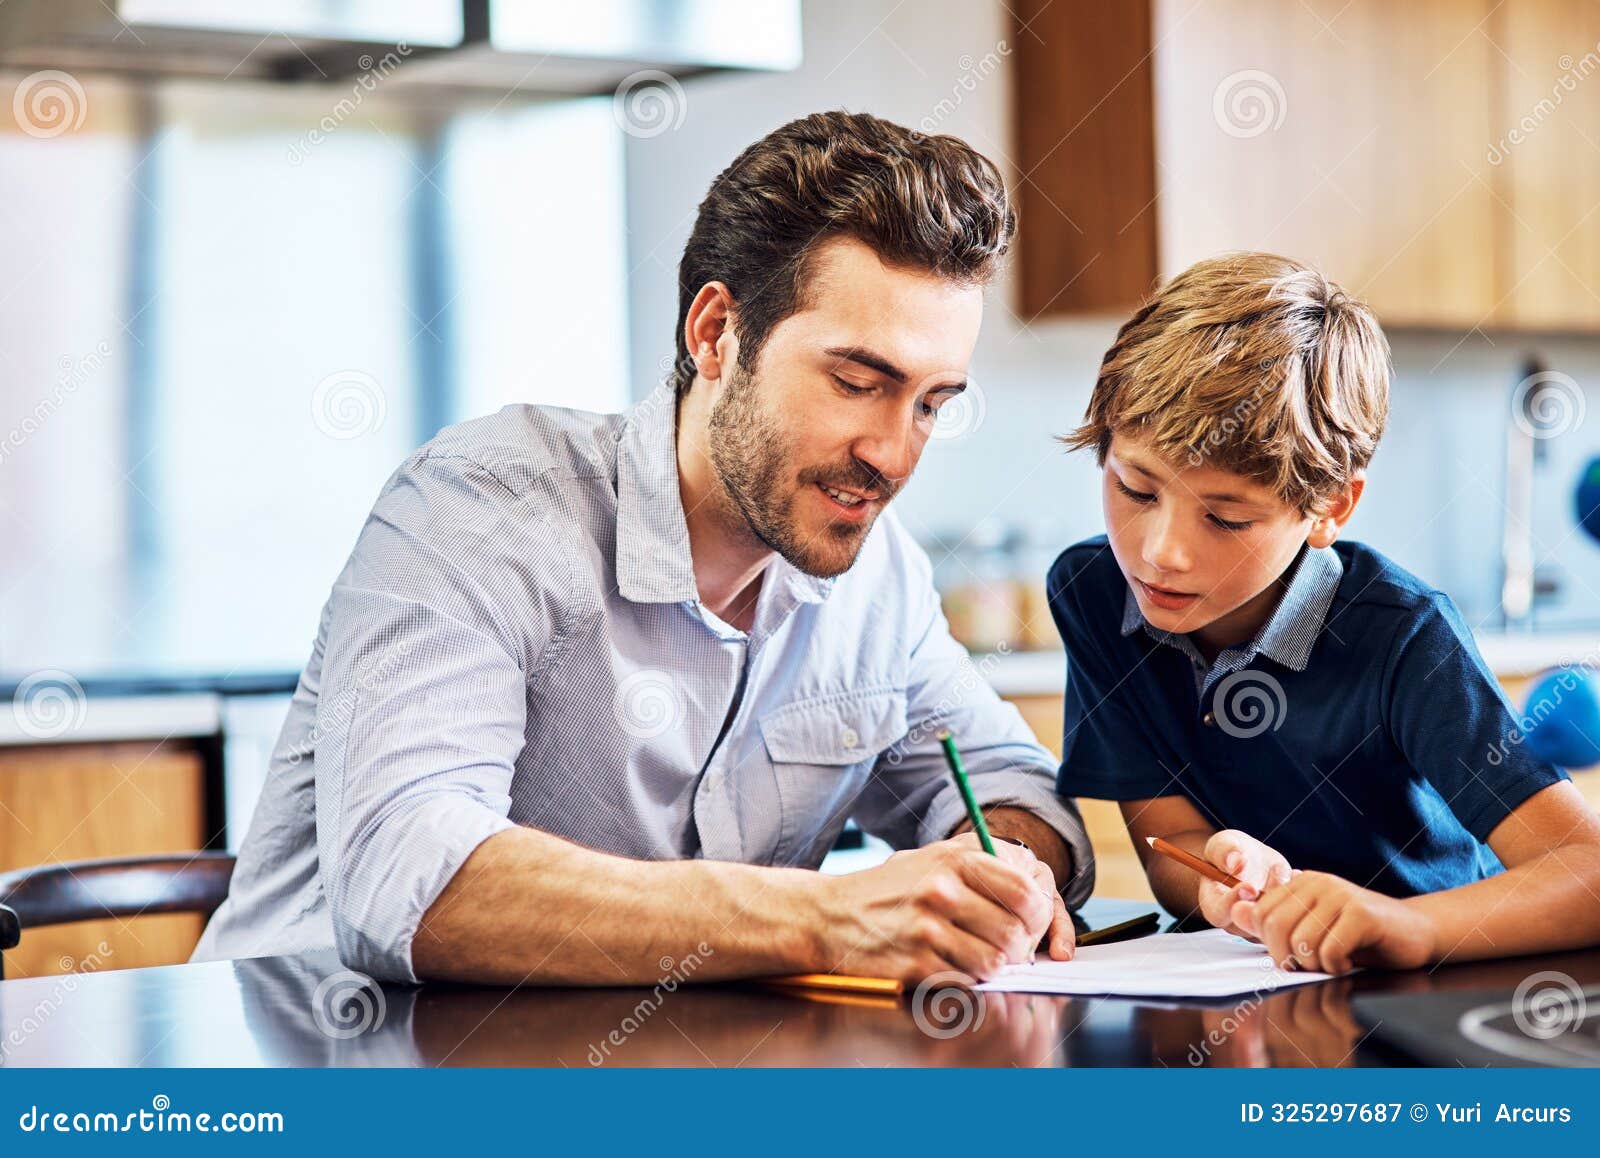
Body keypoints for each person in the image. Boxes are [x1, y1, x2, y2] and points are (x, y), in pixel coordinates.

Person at [193, 111, 1094, 987]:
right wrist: (828, 917)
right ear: (716, 334)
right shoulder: (480, 508)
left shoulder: (876, 577)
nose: (895, 456)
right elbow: (406, 875)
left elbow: (1012, 785)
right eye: (857, 382)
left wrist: (999, 873)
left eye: (931, 404)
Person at [1048, 252, 1600, 974]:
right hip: (1257, 992)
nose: (1160, 554)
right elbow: (1170, 842)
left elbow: (1587, 872)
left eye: (1226, 518)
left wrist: (1410, 927)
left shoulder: (1405, 636)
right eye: (1136, 490)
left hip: (1432, 988)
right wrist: (1218, 874)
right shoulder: (1093, 592)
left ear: (1331, 507)